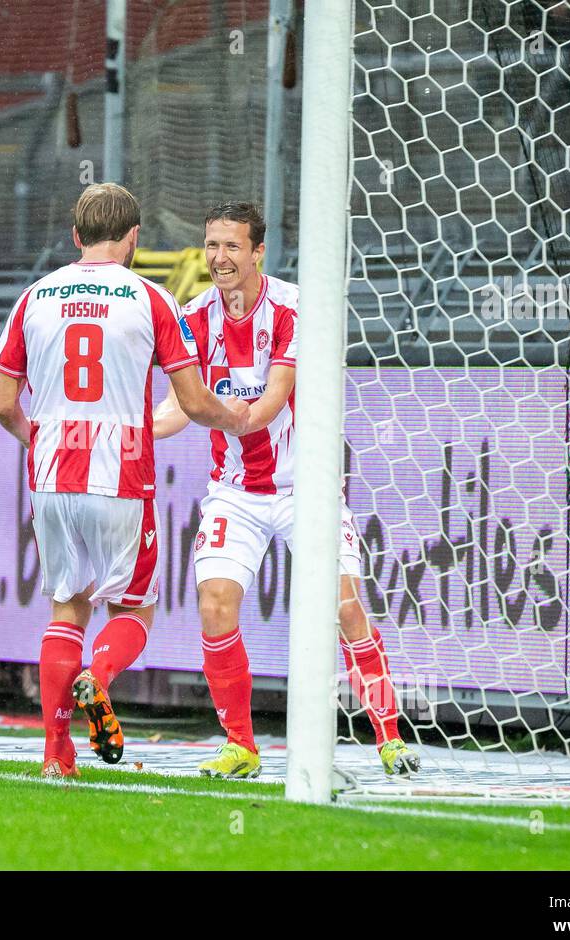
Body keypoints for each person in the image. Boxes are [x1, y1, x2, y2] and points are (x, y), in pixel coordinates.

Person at [0, 183, 251, 776]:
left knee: (66, 609)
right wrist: (238, 419)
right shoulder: (151, 300)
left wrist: (45, 437)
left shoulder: (34, 296)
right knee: (134, 612)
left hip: (53, 477)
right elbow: (191, 399)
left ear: (76, 237)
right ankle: (98, 676)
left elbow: (3, 404)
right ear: (134, 238)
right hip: (123, 477)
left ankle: (58, 756)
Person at [154, 201, 419, 779]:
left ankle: (390, 737)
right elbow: (179, 406)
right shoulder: (195, 318)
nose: (219, 258)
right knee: (215, 604)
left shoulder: (294, 307)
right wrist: (136, 430)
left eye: (231, 246)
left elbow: (270, 402)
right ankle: (241, 745)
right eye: (212, 245)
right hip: (234, 490)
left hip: (307, 486)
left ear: (257, 252)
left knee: (345, 605)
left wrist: (218, 413)